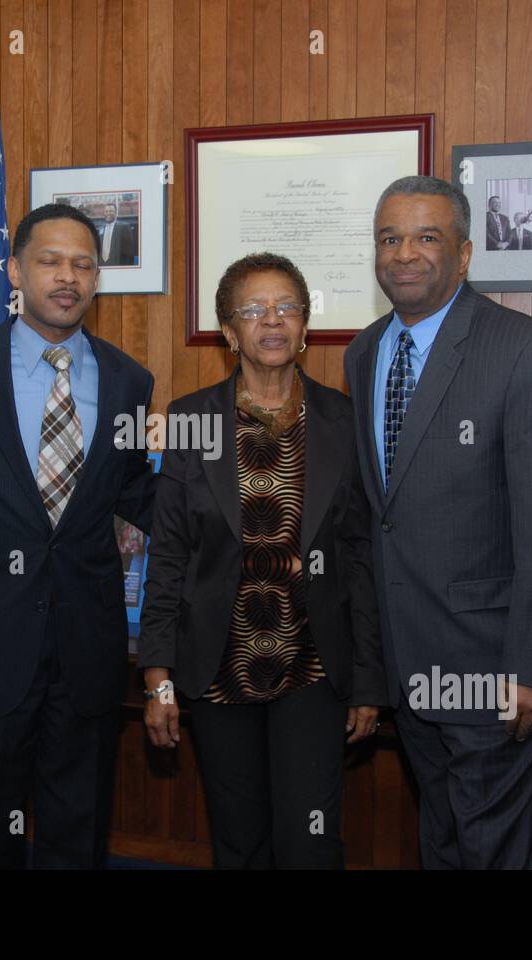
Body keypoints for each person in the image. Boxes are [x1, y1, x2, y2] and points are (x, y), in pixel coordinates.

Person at [344, 175, 532, 869]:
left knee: (498, 851)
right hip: (410, 671)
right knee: (444, 841)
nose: (404, 254)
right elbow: (383, 520)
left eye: (426, 237)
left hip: (497, 672)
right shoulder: (364, 354)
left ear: (464, 254)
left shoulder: (525, 352)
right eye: (389, 238)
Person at [0, 203, 157, 869]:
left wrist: (240, 501)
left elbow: (135, 492)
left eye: (83, 264)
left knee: (76, 837)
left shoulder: (128, 381)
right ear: (17, 269)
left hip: (88, 650)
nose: (68, 277)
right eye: (50, 260)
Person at [140, 252, 386, 869]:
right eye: (253, 310)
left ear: (305, 327)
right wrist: (158, 678)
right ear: (229, 331)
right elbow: (168, 556)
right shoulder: (193, 420)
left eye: (286, 308)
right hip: (219, 668)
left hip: (314, 669)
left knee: (310, 843)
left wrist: (367, 678)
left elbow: (360, 558)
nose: (271, 321)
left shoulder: (343, 420)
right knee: (239, 841)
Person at [96, 201, 136, 266]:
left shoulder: (124, 227)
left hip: (118, 266)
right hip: (102, 266)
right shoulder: (99, 229)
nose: (108, 213)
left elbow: (129, 252)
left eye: (111, 211)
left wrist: (128, 270)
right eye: (106, 211)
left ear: (116, 213)